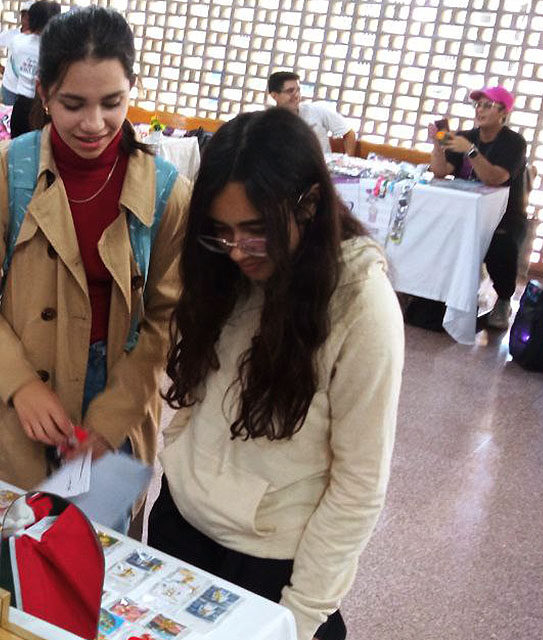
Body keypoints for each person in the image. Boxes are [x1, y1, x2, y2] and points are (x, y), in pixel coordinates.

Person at [149, 108, 403, 640]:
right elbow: (197, 388)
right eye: (221, 232)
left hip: (269, 566)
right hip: (180, 531)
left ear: (309, 203)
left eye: (256, 232)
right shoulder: (223, 270)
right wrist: (181, 459)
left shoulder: (361, 305)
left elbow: (358, 485)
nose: (238, 251)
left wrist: (298, 618)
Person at [0, 6, 190, 533]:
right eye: (72, 104)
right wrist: (20, 385)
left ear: (133, 87)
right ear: (42, 91)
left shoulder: (165, 190)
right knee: (6, 555)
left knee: (94, 564)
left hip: (118, 398)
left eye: (112, 103)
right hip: (22, 394)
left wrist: (112, 416)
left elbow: (165, 320)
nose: (94, 124)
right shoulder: (5, 171)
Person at [430, 85, 528, 329]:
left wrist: (471, 151)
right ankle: (438, 294)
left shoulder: (514, 142)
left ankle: (503, 299)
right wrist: (437, 145)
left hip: (503, 217)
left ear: (503, 113)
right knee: (435, 231)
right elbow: (441, 172)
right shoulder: (466, 136)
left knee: (501, 244)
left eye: (487, 105)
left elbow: (495, 178)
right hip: (466, 212)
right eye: (478, 105)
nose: (480, 110)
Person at [268, 71, 357, 156]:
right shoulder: (267, 123)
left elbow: (349, 132)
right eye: (290, 91)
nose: (296, 95)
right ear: (274, 95)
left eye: (298, 90)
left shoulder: (317, 110)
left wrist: (347, 161)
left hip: (322, 169)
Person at [7, 0, 60, 138]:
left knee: (17, 149)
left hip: (20, 106)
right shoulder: (56, 49)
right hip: (44, 109)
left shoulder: (17, 41)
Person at [0, 0, 31, 106]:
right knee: (5, 118)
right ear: (22, 17)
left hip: (27, 92)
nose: (27, 20)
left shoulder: (38, 39)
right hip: (9, 89)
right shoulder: (11, 35)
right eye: (25, 16)